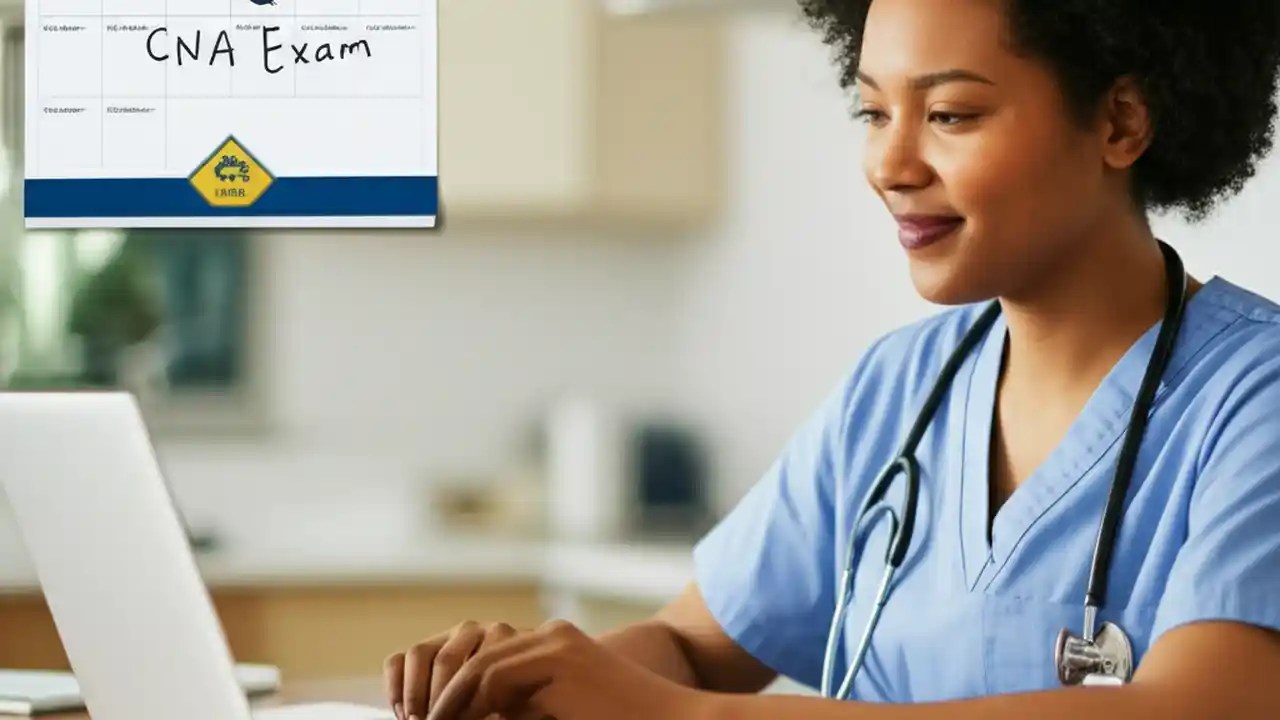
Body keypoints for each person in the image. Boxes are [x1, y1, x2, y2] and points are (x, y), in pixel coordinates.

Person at [384, 0, 1280, 718]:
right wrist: (531, 684)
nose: (889, 163)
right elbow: (693, 645)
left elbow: (1206, 705)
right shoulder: (897, 390)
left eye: (949, 115)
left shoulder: (1254, 396)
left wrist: (676, 715)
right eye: (874, 111)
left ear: (1122, 121)